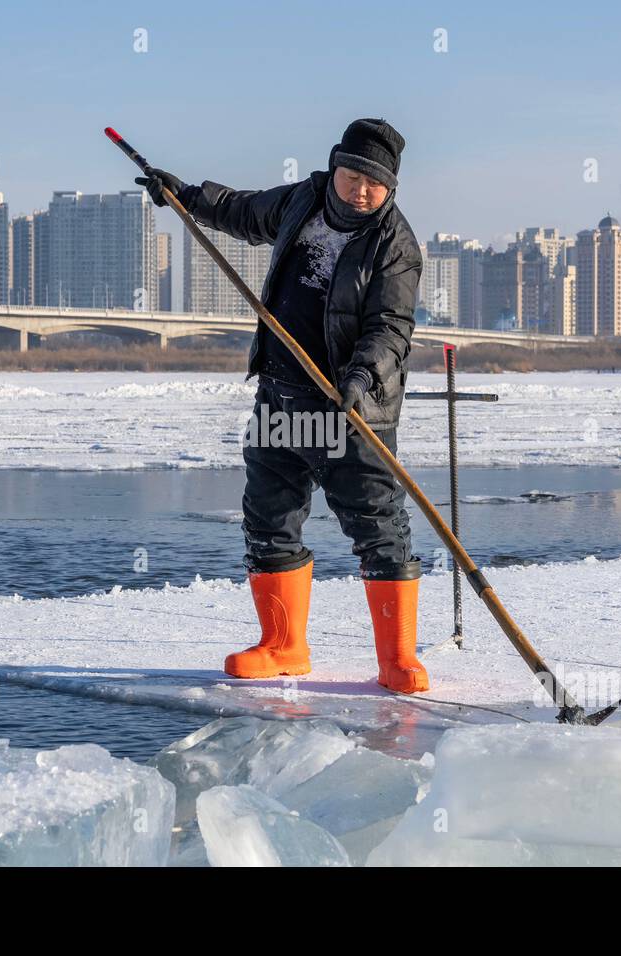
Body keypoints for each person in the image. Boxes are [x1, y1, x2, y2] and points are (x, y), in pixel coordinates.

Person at [136, 118, 428, 694]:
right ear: (335, 168)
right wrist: (184, 197)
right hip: (280, 394)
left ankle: (397, 658)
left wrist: (361, 378)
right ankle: (283, 646)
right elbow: (243, 212)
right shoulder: (302, 200)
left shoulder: (396, 245)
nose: (361, 192)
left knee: (378, 528)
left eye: (375, 185)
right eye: (352, 177)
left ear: (390, 188)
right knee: (269, 519)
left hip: (351, 410)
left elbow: (391, 327)